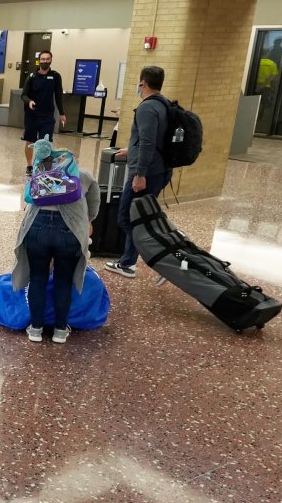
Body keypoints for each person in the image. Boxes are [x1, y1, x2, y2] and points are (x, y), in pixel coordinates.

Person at [12, 139, 100, 344]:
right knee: (63, 279)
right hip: (68, 231)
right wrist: (88, 221)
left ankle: (35, 329)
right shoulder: (83, 175)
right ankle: (60, 330)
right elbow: (94, 202)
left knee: (38, 277)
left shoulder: (40, 171)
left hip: (37, 227)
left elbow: (29, 196)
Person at [105, 65, 173, 279]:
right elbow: (151, 140)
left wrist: (139, 174)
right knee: (143, 219)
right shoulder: (165, 105)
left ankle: (163, 261)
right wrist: (130, 150)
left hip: (147, 174)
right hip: (161, 169)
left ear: (142, 83)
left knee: (126, 217)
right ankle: (128, 263)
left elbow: (147, 142)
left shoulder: (146, 108)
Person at [20, 50, 66, 175]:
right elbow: (23, 95)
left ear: (51, 60)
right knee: (30, 141)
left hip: (47, 115)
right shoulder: (32, 76)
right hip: (32, 115)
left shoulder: (56, 76)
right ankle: (29, 166)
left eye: (47, 59)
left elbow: (58, 95)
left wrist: (62, 113)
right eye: (43, 59)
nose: (45, 61)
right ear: (39, 60)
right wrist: (29, 101)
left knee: (45, 143)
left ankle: (43, 168)